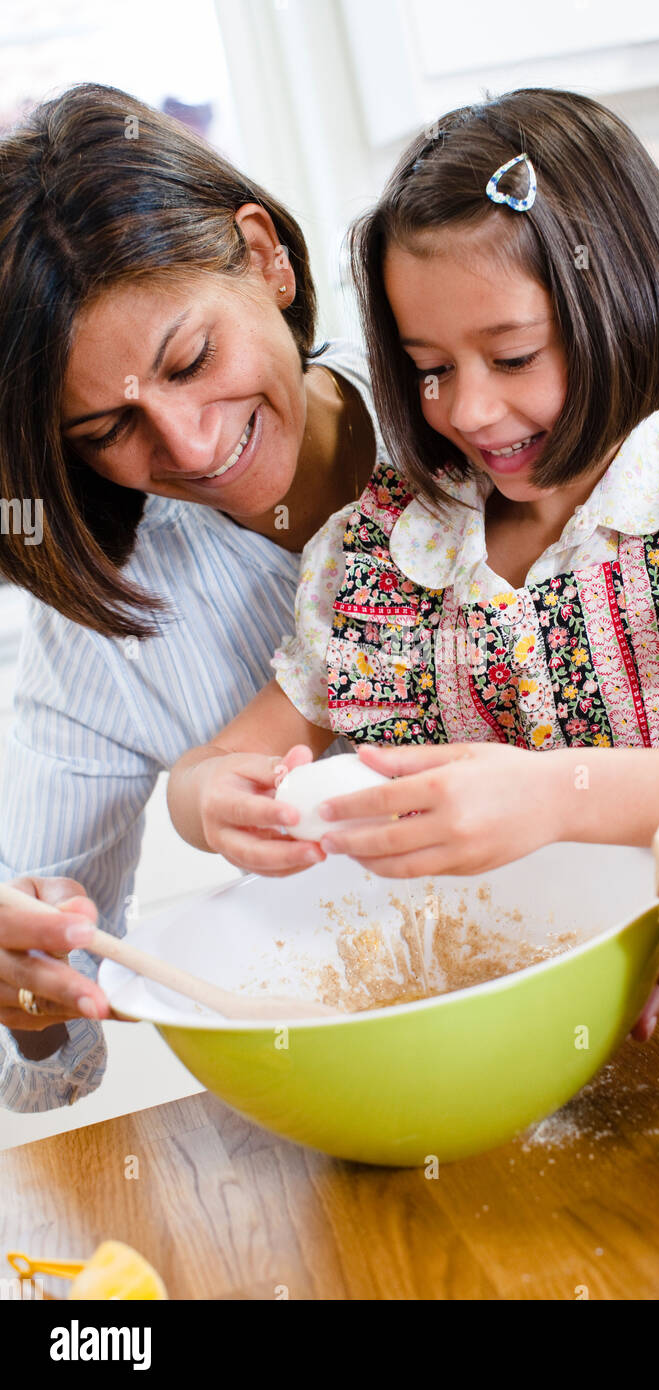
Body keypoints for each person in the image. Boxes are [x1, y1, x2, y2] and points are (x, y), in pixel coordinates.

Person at [166, 89, 659, 1047]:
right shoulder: (380, 559)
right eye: (429, 368)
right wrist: (214, 804)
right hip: (515, 1035)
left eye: (514, 355)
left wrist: (555, 794)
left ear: (623, 299)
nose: (472, 411)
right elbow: (218, 766)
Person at [0, 83, 378, 1111]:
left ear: (264, 254)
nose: (194, 446)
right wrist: (28, 996)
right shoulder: (102, 630)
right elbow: (45, 1028)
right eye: (106, 434)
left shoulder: (480, 421)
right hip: (353, 1106)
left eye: (192, 359)